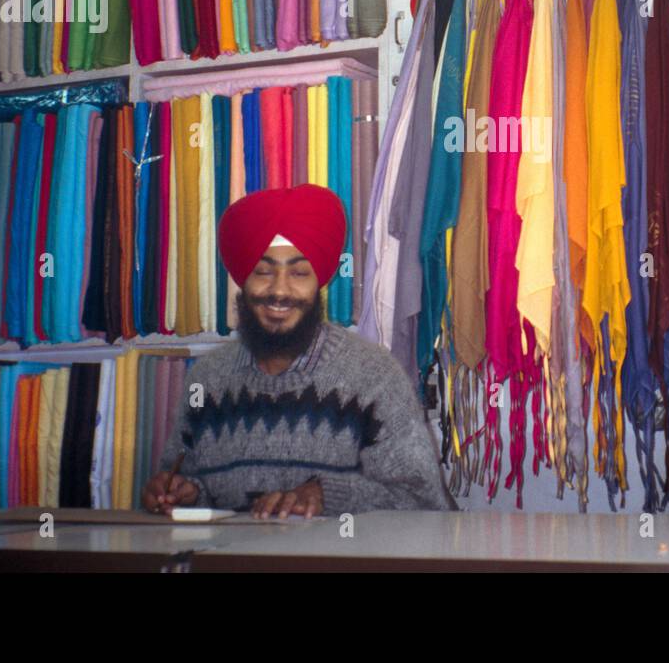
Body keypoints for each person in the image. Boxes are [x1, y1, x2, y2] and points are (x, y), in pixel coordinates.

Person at [142, 184, 455, 518]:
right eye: (262, 271)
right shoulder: (204, 381)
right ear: (241, 280)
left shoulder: (375, 377)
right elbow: (184, 480)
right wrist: (184, 494)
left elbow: (423, 503)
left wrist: (328, 496)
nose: (279, 290)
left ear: (319, 281)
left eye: (299, 273)